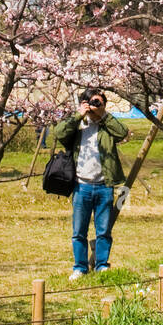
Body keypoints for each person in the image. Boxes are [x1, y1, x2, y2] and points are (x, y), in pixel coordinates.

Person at [51, 88, 130, 280]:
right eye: (92, 102)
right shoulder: (78, 126)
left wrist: (103, 114)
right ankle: (79, 267)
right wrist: (79, 115)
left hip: (104, 185)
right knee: (79, 231)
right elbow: (58, 133)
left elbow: (122, 133)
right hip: (81, 185)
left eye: (99, 102)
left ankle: (102, 265)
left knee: (104, 230)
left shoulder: (107, 126)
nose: (95, 106)